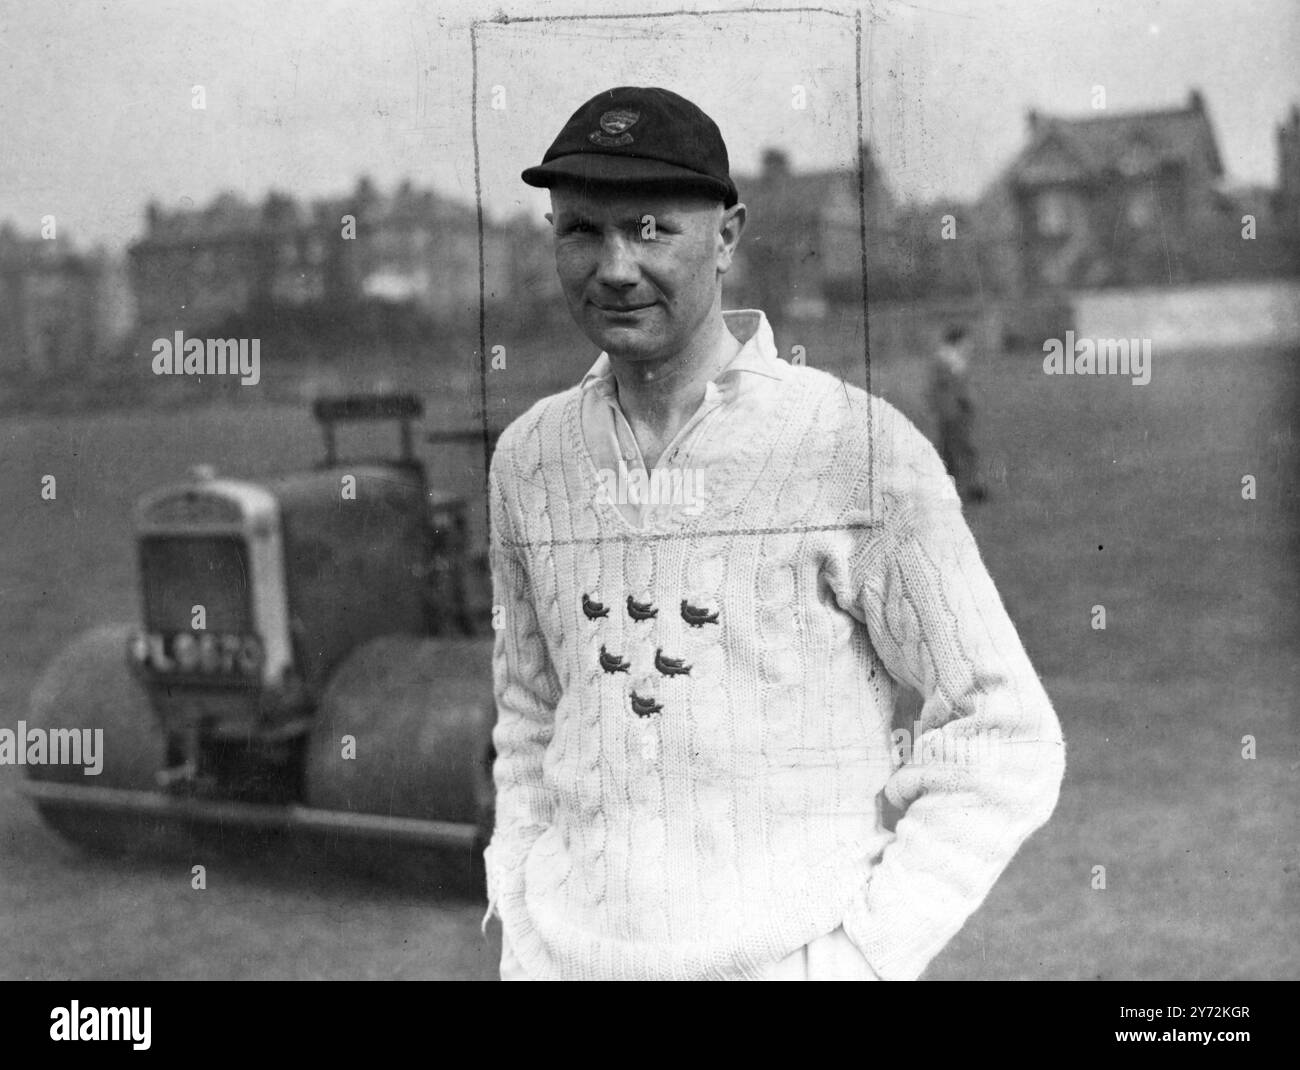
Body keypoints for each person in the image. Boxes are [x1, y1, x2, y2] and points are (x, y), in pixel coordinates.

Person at [481, 86, 1064, 980]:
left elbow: (1003, 730)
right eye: (581, 230)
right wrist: (524, 925)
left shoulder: (854, 446)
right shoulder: (529, 458)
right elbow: (531, 715)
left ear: (727, 235)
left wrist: (861, 957)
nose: (615, 266)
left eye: (649, 228)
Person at [927, 325, 988, 503]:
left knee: (950, 452)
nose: (970, 345)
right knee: (962, 450)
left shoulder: (947, 358)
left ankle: (950, 490)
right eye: (966, 341)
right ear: (958, 341)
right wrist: (967, 402)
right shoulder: (949, 360)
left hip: (950, 412)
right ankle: (974, 488)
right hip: (954, 413)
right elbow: (955, 389)